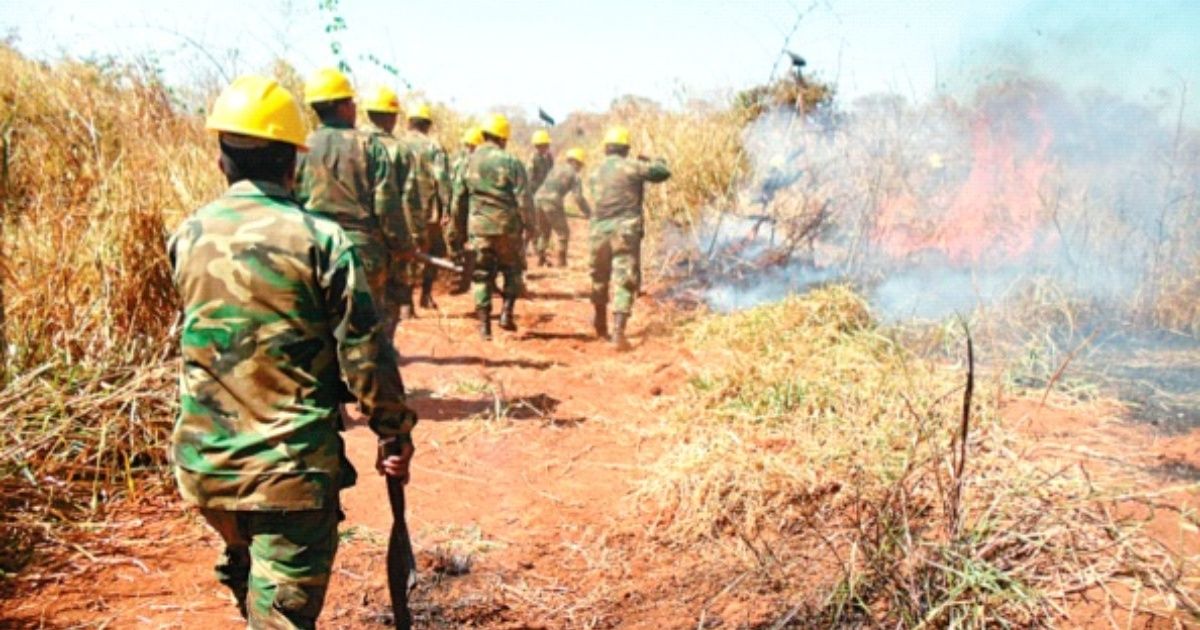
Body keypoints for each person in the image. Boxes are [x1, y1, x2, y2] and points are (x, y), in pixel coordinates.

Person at [167, 75, 417, 629]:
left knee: (259, 586)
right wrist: (393, 430)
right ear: (292, 165)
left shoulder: (187, 234)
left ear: (221, 161)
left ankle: (252, 579)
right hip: (290, 477)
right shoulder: (322, 241)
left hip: (204, 470)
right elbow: (364, 353)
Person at [294, 68, 409, 328]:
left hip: (314, 250)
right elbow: (387, 205)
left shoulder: (301, 147)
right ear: (344, 107)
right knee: (367, 326)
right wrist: (400, 245)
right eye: (352, 102)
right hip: (362, 252)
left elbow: (290, 202)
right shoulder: (370, 146)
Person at [588, 125, 671, 350]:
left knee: (599, 276)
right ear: (626, 149)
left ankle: (599, 323)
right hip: (625, 231)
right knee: (625, 279)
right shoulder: (633, 167)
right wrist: (655, 159)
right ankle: (618, 333)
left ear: (606, 148)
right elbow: (662, 173)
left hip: (598, 232)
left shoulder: (595, 172)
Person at [458, 113, 531, 339]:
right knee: (513, 269)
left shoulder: (467, 162)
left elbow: (458, 200)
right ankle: (506, 314)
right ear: (503, 138)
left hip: (479, 228)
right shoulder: (512, 162)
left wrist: (458, 231)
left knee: (481, 274)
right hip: (507, 228)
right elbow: (525, 199)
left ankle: (484, 326)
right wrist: (530, 225)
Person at [360, 85, 425, 325]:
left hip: (347, 236)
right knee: (392, 295)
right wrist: (413, 237)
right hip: (385, 236)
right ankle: (385, 349)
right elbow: (409, 199)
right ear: (392, 117)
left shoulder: (355, 144)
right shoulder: (399, 150)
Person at [402, 103, 451, 311]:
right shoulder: (434, 147)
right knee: (435, 250)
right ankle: (426, 295)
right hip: (429, 208)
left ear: (409, 123)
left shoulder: (398, 144)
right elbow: (441, 177)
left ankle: (406, 302)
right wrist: (447, 207)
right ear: (427, 125)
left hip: (402, 208)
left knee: (406, 250)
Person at [533, 146, 591, 267]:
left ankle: (540, 259)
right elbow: (578, 198)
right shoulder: (575, 175)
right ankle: (561, 262)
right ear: (577, 162)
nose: (580, 168)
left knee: (544, 232)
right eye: (580, 165)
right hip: (553, 202)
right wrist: (589, 213)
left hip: (537, 199)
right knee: (563, 233)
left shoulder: (556, 168)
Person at [446, 125, 483, 295]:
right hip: (469, 209)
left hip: (461, 207)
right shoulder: (470, 162)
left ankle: (463, 279)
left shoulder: (460, 161)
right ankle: (463, 278)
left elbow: (454, 189)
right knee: (463, 243)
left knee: (457, 241)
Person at [526, 129, 555, 264]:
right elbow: (529, 180)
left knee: (546, 225)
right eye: (541, 145)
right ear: (536, 146)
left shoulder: (549, 159)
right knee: (535, 226)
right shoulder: (533, 160)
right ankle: (538, 253)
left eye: (546, 145)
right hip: (535, 196)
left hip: (547, 196)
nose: (544, 148)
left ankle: (541, 251)